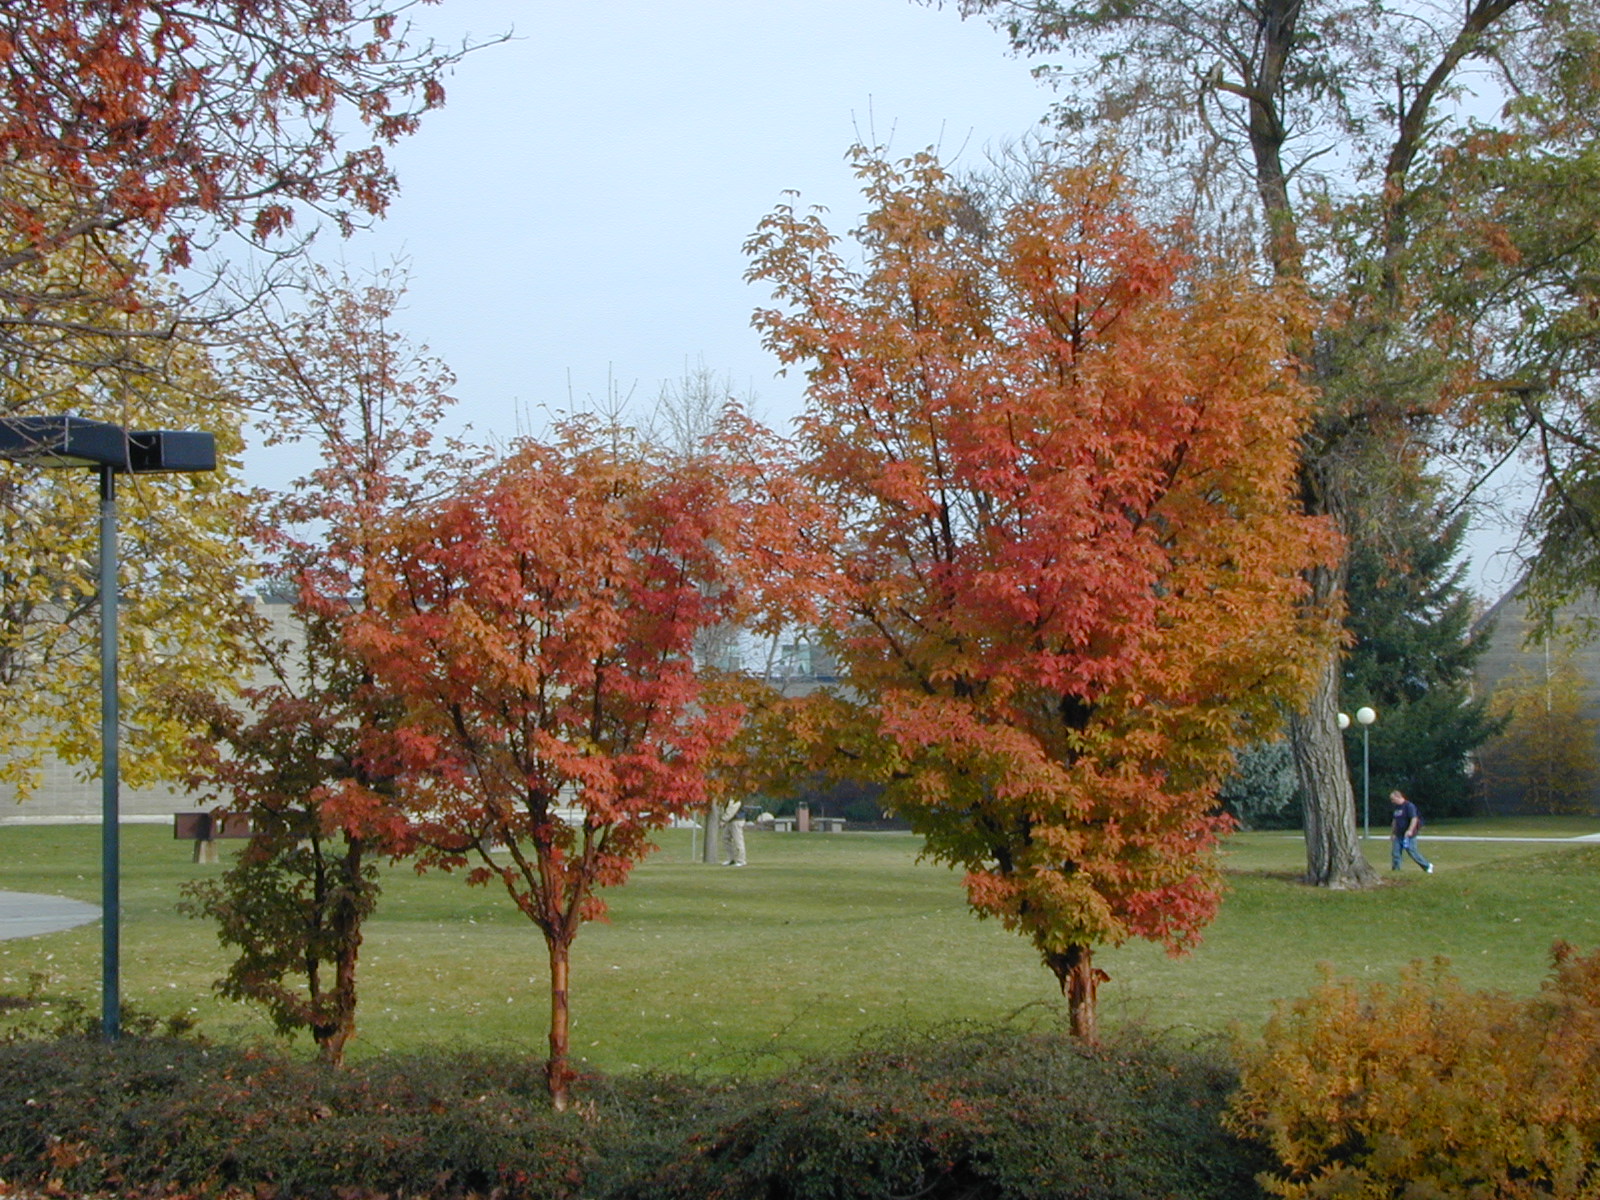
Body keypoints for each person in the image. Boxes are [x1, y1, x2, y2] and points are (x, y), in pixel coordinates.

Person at [1389, 789, 1433, 873]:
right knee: (1395, 853)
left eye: (1393, 799)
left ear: (1399, 797)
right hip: (1398, 834)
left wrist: (1410, 830)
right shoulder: (1396, 807)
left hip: (1408, 835)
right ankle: (1396, 870)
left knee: (1412, 852)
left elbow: (1414, 819)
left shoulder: (1409, 806)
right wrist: (1393, 833)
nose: (1392, 801)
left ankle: (1427, 865)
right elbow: (1395, 820)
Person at [720, 798, 747, 867]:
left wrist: (724, 819)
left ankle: (741, 860)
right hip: (730, 821)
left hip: (737, 820)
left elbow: (732, 809)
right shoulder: (730, 796)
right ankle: (731, 859)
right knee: (725, 838)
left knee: (738, 840)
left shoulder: (736, 797)